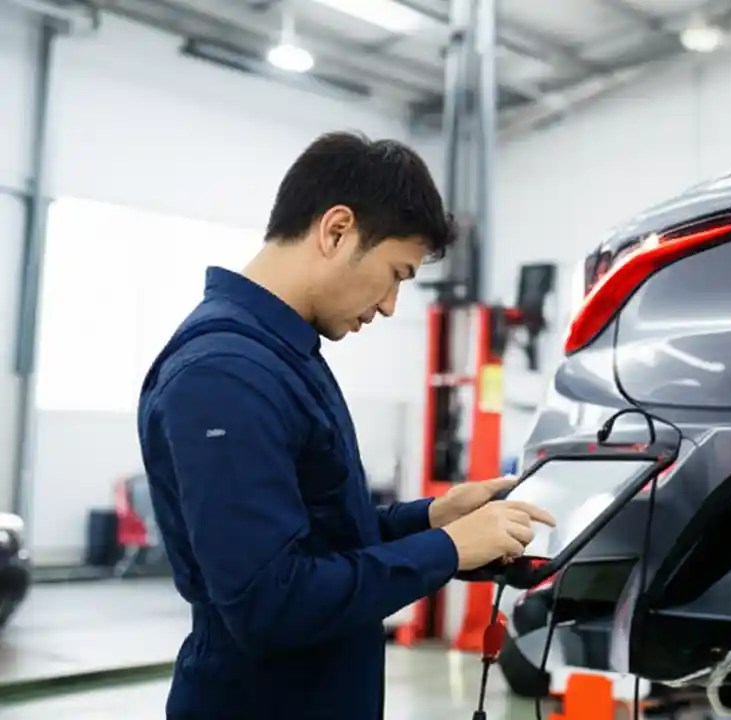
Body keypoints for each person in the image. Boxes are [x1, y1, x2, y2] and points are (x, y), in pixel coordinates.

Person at [136, 131, 554, 720]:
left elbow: (317, 536)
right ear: (337, 230)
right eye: (396, 274)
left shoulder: (284, 357)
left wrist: (433, 518)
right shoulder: (226, 375)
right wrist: (446, 549)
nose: (388, 306)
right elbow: (270, 602)